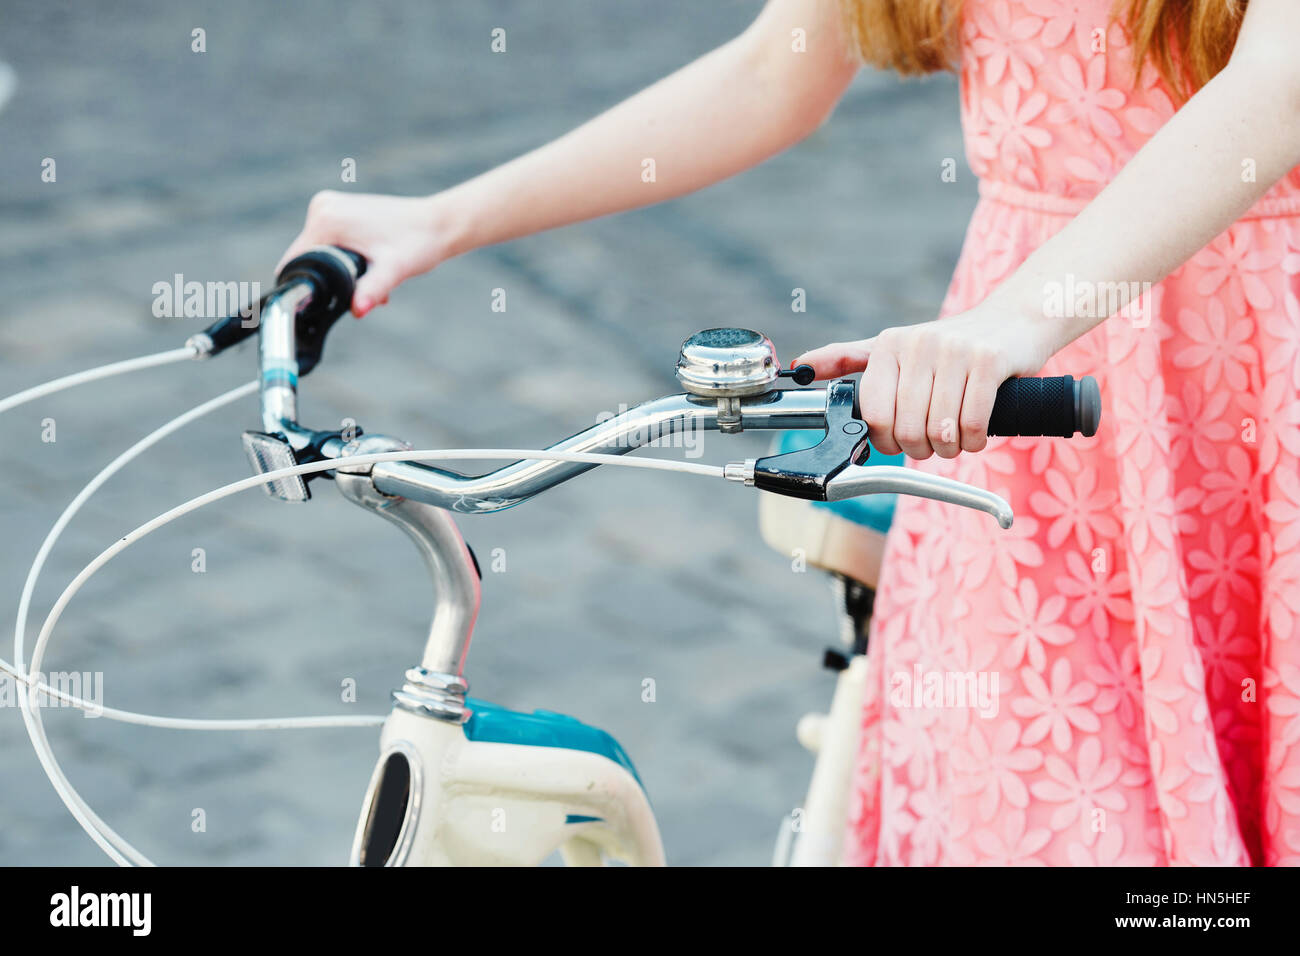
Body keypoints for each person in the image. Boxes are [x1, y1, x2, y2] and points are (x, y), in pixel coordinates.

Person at [279, 0, 1300, 866]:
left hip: (1239, 390)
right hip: (1020, 443)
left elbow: (1279, 78)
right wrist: (444, 218)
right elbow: (778, 68)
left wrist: (1009, 323)